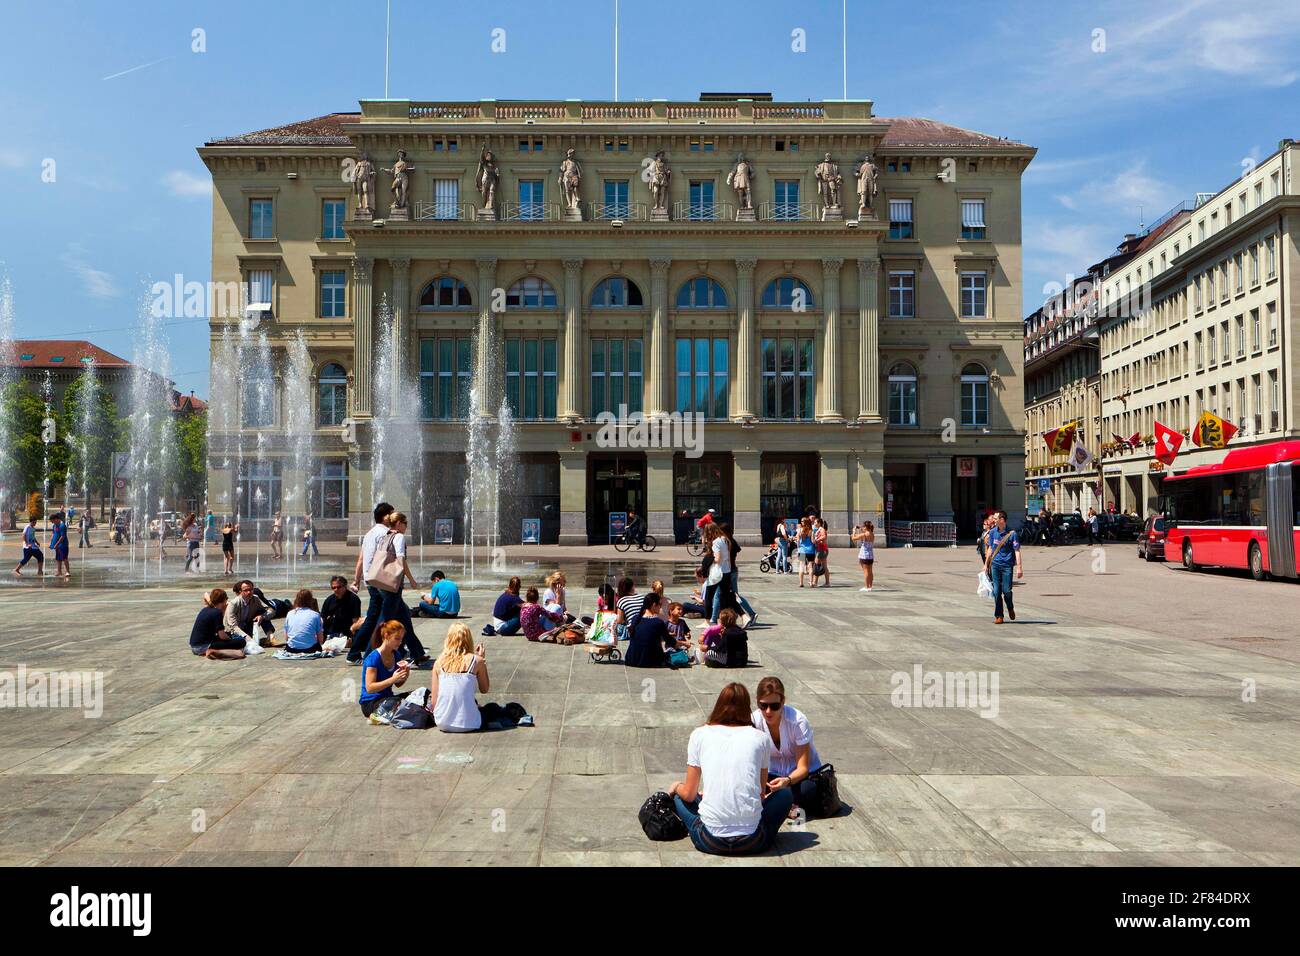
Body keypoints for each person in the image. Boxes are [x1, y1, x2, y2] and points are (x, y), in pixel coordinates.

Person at [666, 683, 793, 856]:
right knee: (785, 795)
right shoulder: (761, 739)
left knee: (680, 798)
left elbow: (688, 794)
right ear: (748, 707)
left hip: (709, 841)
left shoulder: (699, 734)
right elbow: (760, 794)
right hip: (752, 841)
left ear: (718, 706)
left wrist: (676, 786)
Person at [751, 676, 827, 817]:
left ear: (783, 702)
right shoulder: (754, 721)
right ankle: (786, 804)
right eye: (763, 706)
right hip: (771, 775)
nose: (768, 711)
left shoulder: (798, 722)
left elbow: (803, 768)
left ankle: (776, 802)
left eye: (774, 706)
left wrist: (787, 781)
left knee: (808, 789)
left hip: (798, 777)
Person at [430, 622, 521, 732]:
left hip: (442, 722)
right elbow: (484, 689)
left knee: (470, 701)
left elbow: (435, 702)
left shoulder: (438, 662)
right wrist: (482, 660)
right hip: (470, 723)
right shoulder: (476, 661)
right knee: (492, 707)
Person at [349, 502, 395, 663]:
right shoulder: (386, 533)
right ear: (385, 516)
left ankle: (357, 653)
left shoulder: (369, 534)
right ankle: (362, 653)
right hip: (381, 581)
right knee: (380, 618)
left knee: (376, 617)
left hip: (370, 579)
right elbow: (387, 558)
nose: (394, 517)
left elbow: (361, 559)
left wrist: (357, 580)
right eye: (391, 514)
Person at [359, 620, 412, 719]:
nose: (400, 642)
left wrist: (405, 675)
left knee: (420, 694)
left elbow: (398, 684)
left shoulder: (396, 654)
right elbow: (370, 688)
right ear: (387, 635)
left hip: (388, 698)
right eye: (397, 639)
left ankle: (386, 714)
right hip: (371, 702)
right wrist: (392, 679)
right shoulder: (374, 658)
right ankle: (379, 715)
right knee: (398, 703)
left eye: (401, 639)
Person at [984, 510, 1023, 625]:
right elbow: (990, 548)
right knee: (996, 591)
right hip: (995, 565)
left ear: (1002, 520)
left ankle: (1010, 607)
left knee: (1006, 591)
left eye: (995, 518)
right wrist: (986, 565)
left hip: (1007, 566)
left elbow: (1017, 551)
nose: (993, 520)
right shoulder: (992, 532)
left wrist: (1019, 567)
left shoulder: (1012, 534)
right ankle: (999, 615)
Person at [189, 588, 246, 659]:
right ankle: (212, 651)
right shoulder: (217, 612)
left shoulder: (206, 609)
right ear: (224, 600)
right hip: (203, 647)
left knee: (228, 634)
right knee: (241, 642)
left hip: (194, 646)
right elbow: (222, 636)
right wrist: (231, 640)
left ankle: (216, 650)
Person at [624, 591, 674, 667]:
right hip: (651, 661)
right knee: (673, 652)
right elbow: (670, 641)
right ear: (654, 605)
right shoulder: (658, 622)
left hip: (631, 659)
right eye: (659, 605)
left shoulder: (635, 618)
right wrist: (683, 643)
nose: (660, 607)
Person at [721, 524, 758, 627]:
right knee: (734, 595)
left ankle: (750, 614)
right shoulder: (731, 541)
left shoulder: (726, 542)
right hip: (733, 570)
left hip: (730, 571)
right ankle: (748, 614)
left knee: (735, 596)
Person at [224, 579, 277, 645]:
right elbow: (233, 627)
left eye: (251, 590)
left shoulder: (255, 598)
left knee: (261, 613)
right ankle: (257, 641)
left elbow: (271, 610)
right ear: (240, 591)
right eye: (245, 590)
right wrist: (247, 638)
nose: (249, 592)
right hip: (233, 632)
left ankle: (270, 637)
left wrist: (262, 616)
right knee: (243, 643)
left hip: (247, 626)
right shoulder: (234, 603)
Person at [704, 523, 735, 625]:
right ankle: (725, 621)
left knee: (709, 596)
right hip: (726, 571)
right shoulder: (725, 540)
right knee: (724, 598)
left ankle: (708, 621)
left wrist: (708, 560)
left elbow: (717, 558)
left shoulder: (716, 542)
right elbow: (729, 559)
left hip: (717, 573)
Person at [283, 588, 325, 654]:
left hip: (291, 648)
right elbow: (320, 640)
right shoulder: (315, 615)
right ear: (311, 600)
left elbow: (286, 637)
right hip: (309, 649)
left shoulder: (290, 613)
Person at [321, 575, 362, 642]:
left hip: (347, 633)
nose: (336, 590)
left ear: (345, 586)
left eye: (339, 587)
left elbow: (356, 621)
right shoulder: (329, 600)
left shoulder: (354, 599)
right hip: (332, 632)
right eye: (333, 588)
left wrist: (352, 637)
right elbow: (322, 619)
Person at [852, 520, 876, 592]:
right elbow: (864, 533)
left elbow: (853, 538)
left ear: (866, 527)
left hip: (864, 555)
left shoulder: (864, 534)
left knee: (865, 571)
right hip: (870, 555)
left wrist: (854, 531)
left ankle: (866, 586)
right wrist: (861, 529)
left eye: (863, 526)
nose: (862, 527)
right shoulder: (872, 534)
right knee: (870, 571)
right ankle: (870, 586)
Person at [795, 517, 816, 588]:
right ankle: (811, 582)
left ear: (804, 522)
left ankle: (801, 583)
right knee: (810, 566)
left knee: (801, 566)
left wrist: (798, 547)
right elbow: (813, 541)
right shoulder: (811, 531)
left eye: (802, 521)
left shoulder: (799, 530)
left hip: (801, 550)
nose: (801, 522)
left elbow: (797, 541)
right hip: (810, 551)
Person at [49, 514, 71, 579]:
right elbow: (53, 534)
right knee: (58, 558)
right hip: (57, 545)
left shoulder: (62, 526)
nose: (52, 523)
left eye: (53, 521)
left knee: (64, 558)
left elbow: (62, 537)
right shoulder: (54, 525)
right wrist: (51, 543)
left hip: (63, 545)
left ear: (56, 519)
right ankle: (59, 572)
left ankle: (67, 572)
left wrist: (56, 544)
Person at [813, 516, 831, 588]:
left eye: (815, 522)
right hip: (821, 549)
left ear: (819, 523)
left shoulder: (821, 529)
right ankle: (826, 582)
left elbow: (824, 536)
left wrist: (817, 540)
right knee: (823, 566)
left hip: (822, 550)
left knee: (817, 565)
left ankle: (816, 582)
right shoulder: (819, 529)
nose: (814, 523)